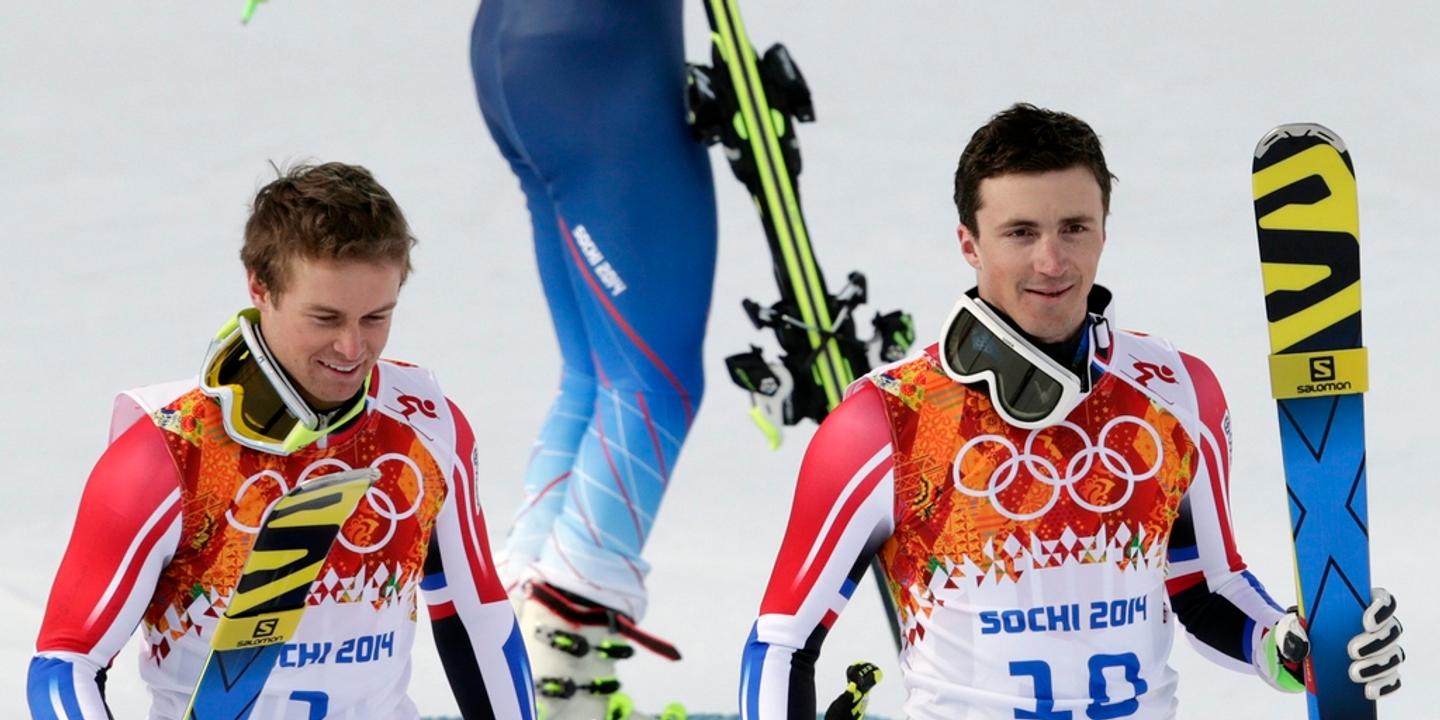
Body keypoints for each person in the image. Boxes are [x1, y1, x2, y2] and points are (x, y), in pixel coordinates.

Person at [737, 104, 1406, 718]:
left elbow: (1205, 588)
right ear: (969, 243)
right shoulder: (886, 420)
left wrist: (1291, 647)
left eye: (1074, 228)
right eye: (1020, 232)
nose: (1051, 261)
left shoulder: (1175, 392)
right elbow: (783, 641)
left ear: (1104, 232)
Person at [27, 163, 536, 719]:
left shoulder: (427, 428)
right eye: (324, 317)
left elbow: (474, 617)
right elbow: (66, 661)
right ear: (260, 287)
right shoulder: (168, 453)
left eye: (376, 317)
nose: (351, 348)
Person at [469, 1, 714, 716]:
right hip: (600, 53)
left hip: (517, 48)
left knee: (601, 372)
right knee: (654, 385)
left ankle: (527, 645)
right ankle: (562, 686)